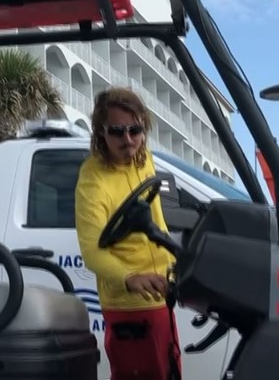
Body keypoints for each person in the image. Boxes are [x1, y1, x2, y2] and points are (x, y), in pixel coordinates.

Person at [74, 87, 181, 380]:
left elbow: (156, 217)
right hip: (129, 307)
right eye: (117, 131)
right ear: (100, 133)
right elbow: (92, 250)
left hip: (161, 295)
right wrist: (130, 277)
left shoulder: (142, 158)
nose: (128, 140)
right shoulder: (93, 180)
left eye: (135, 129)